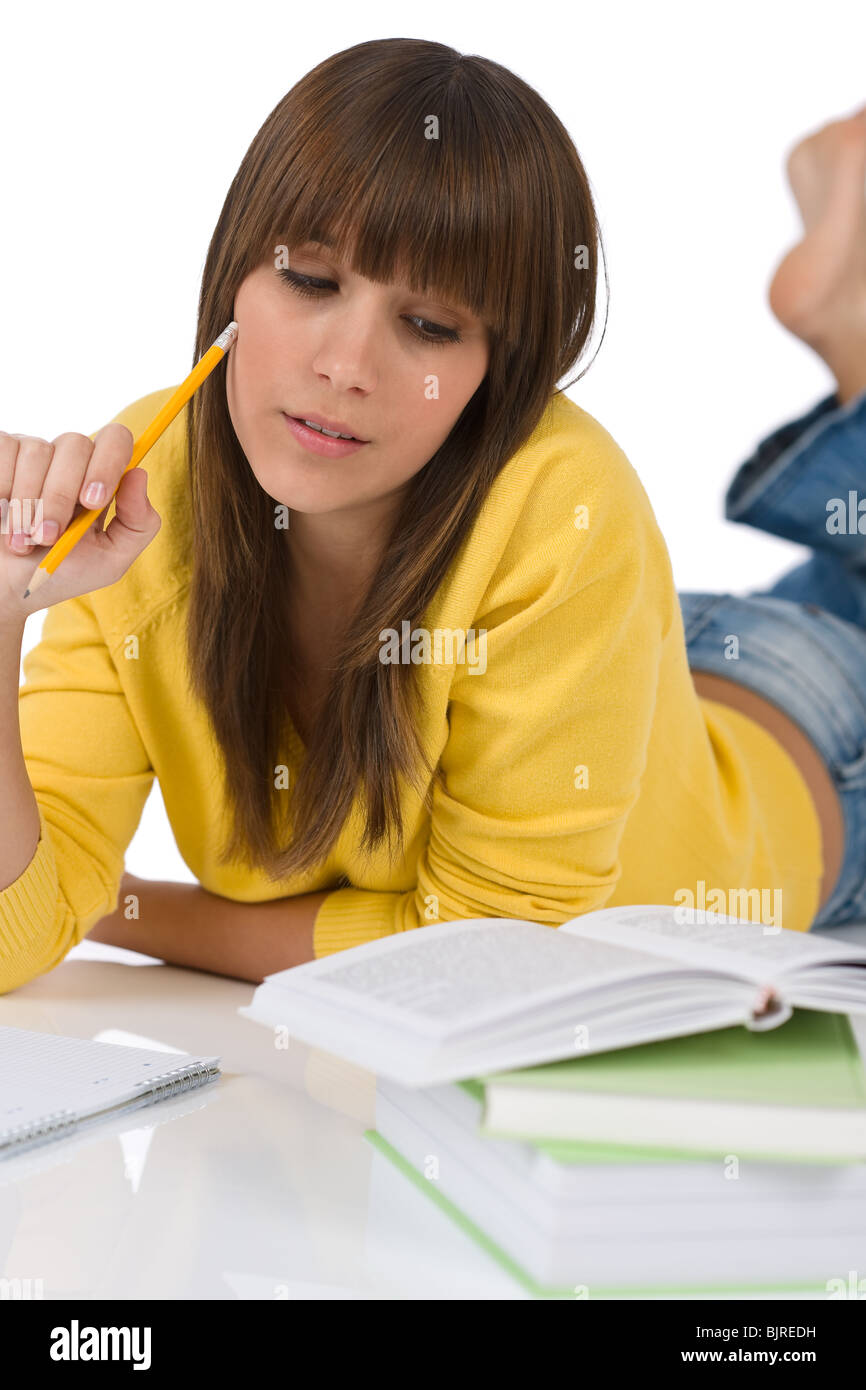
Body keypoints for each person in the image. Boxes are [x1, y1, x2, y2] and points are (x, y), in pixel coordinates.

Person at [0, 39, 864, 995]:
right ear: (233, 282)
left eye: (430, 325)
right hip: (625, 667)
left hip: (813, 736)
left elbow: (493, 954)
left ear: (504, 368)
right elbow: (11, 933)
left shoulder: (562, 501)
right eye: (312, 281)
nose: (346, 367)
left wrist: (129, 907)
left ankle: (851, 341)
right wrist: (2, 619)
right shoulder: (142, 495)